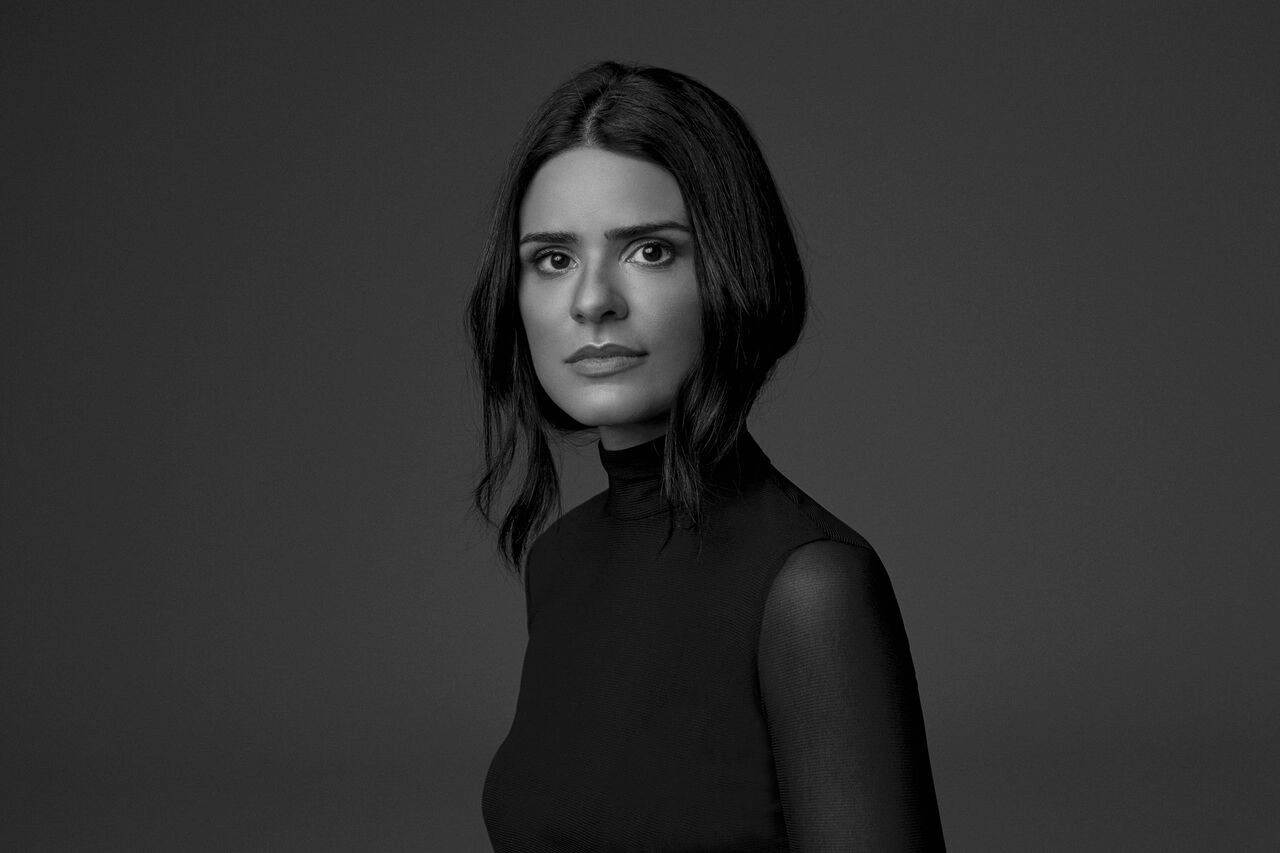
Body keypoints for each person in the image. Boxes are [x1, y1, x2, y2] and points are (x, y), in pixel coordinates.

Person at [466, 61, 946, 852]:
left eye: (649, 250)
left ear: (733, 268)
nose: (592, 300)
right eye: (553, 258)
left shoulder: (811, 588)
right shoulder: (559, 560)